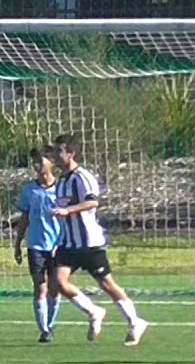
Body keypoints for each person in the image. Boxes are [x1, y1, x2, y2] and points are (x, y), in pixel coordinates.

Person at [50, 135, 149, 346]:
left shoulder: (82, 177)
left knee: (107, 284)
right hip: (68, 244)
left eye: (59, 151)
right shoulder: (61, 182)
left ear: (71, 153)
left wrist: (68, 210)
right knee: (58, 282)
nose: (55, 157)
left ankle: (135, 321)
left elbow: (92, 202)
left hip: (90, 243)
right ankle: (94, 311)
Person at [14, 146, 63, 343]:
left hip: (58, 246)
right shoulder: (29, 190)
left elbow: (68, 218)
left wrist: (64, 242)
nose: (37, 165)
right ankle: (44, 330)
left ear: (51, 163)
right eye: (34, 162)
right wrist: (18, 243)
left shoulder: (61, 189)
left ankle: (50, 324)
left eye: (40, 161)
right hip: (36, 245)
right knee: (40, 287)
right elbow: (24, 218)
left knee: (55, 287)